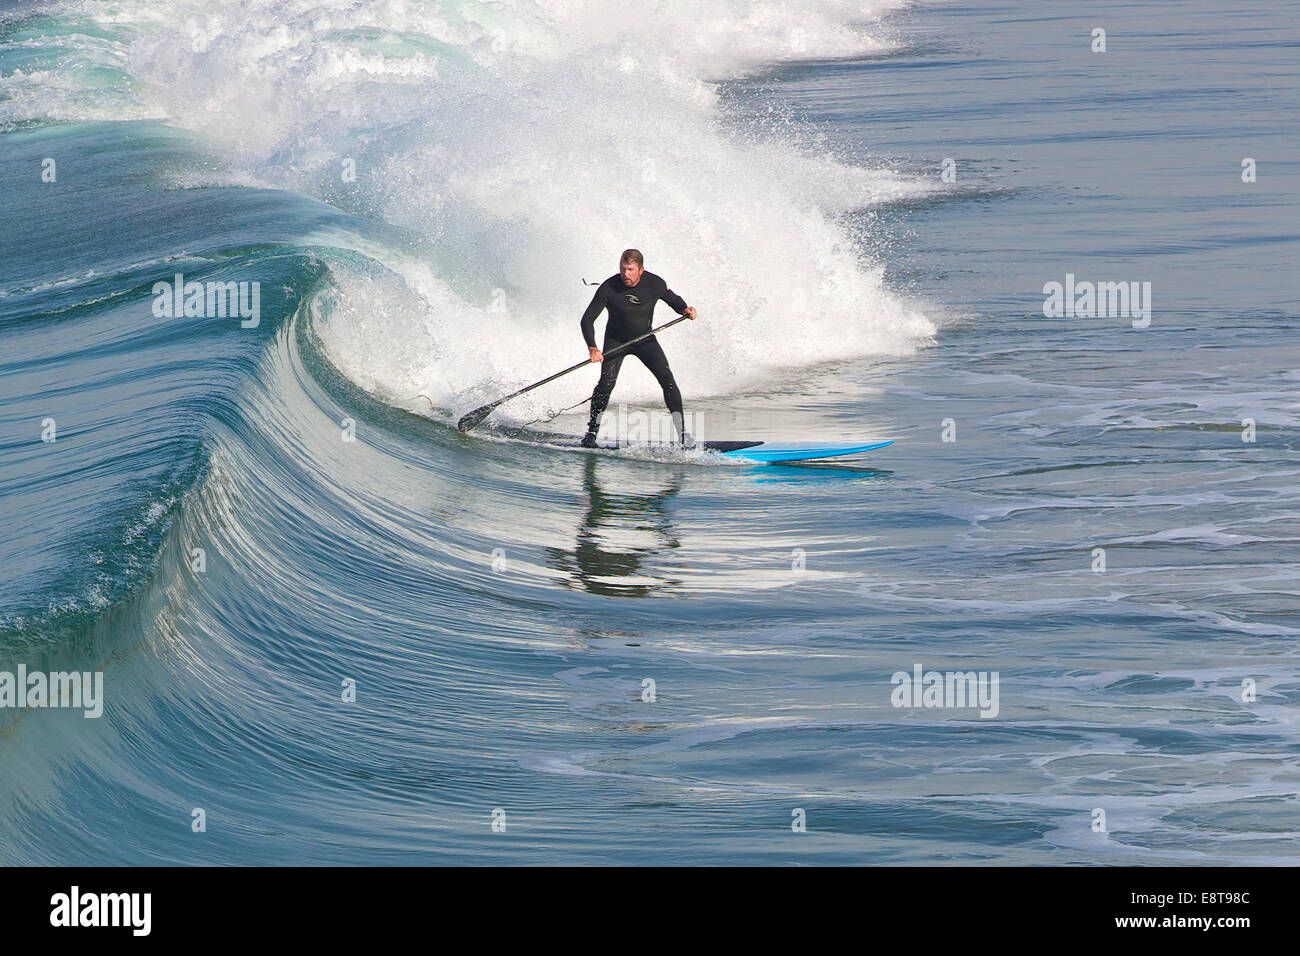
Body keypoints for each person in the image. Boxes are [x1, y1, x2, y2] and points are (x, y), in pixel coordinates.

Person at [580, 248, 696, 448]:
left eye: (630, 270)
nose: (626, 274)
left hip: (645, 340)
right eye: (623, 269)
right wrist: (593, 347)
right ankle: (591, 434)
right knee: (606, 384)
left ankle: (683, 435)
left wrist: (686, 309)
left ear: (641, 269)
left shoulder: (655, 284)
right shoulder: (609, 287)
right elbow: (587, 319)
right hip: (616, 341)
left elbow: (674, 300)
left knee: (667, 380)